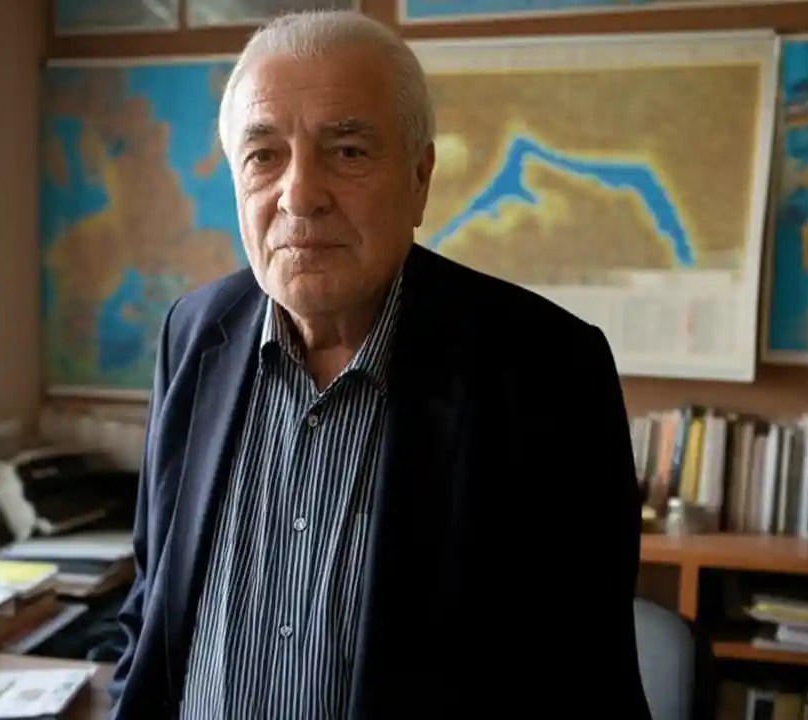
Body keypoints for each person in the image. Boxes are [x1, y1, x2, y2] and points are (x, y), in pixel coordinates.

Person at [109, 10, 651, 719]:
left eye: (348, 151)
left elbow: (588, 681)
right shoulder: (193, 333)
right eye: (264, 156)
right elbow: (151, 603)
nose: (299, 195)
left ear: (420, 177)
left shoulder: (548, 369)